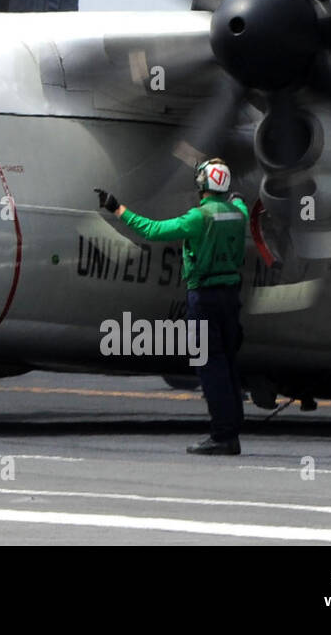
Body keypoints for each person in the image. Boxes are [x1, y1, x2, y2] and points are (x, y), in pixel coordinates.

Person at [96, 158, 250, 455]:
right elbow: (242, 205)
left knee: (210, 365)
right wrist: (239, 198)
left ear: (203, 184)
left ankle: (222, 435)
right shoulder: (238, 214)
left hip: (204, 297)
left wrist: (117, 208)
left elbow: (153, 231)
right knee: (228, 363)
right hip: (231, 296)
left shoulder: (198, 217)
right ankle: (232, 429)